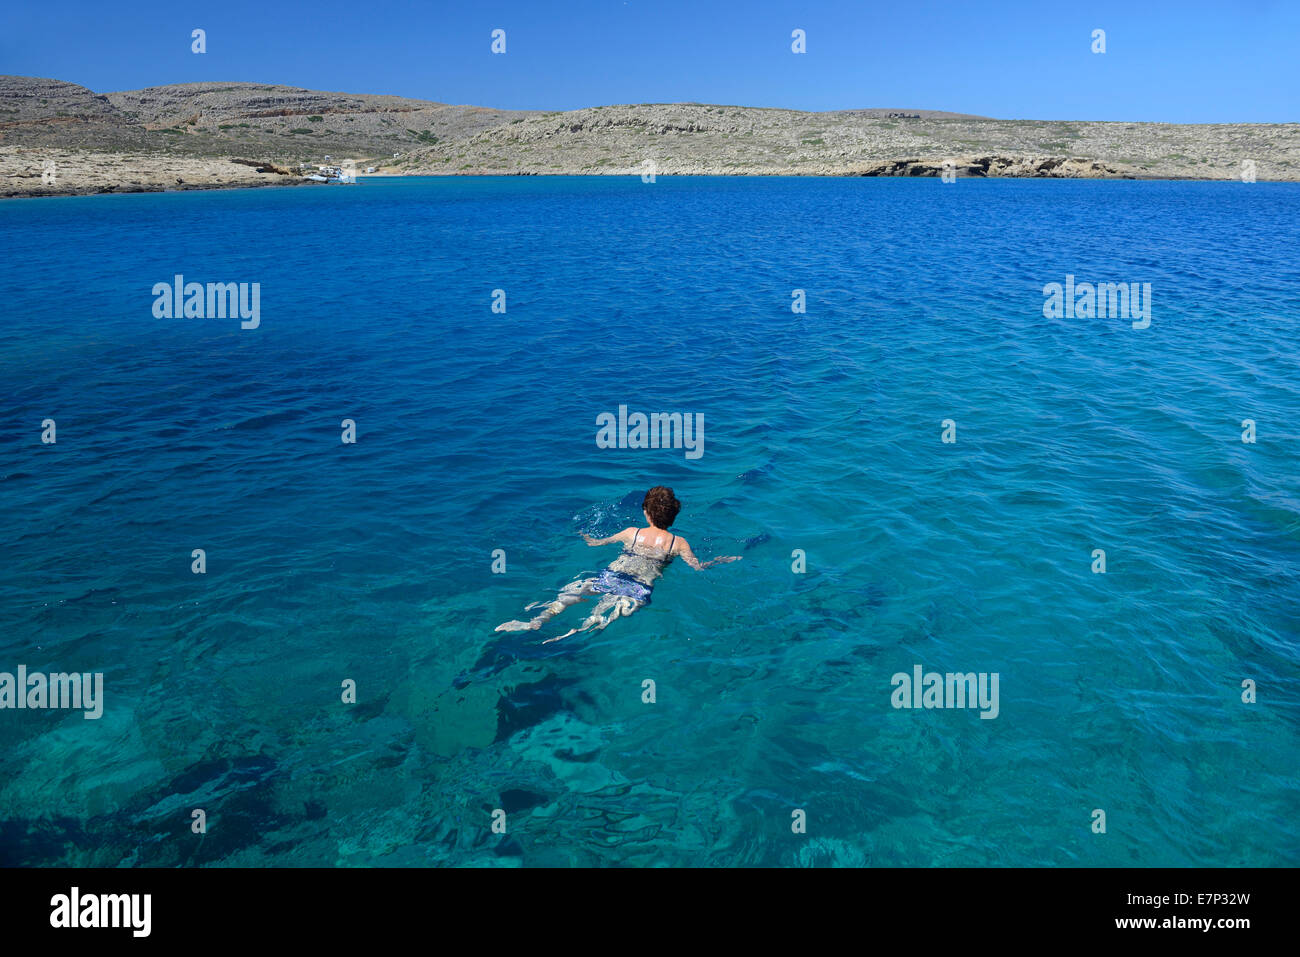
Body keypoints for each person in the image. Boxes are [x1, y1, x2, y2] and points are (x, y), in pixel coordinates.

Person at [495, 486, 741, 642]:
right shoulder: (678, 543)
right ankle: (571, 634)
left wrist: (584, 535)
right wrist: (719, 560)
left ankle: (537, 621)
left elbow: (596, 544)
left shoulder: (631, 532)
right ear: (674, 515)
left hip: (611, 575)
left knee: (570, 595)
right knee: (600, 617)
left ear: (646, 512)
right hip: (638, 588)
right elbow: (697, 567)